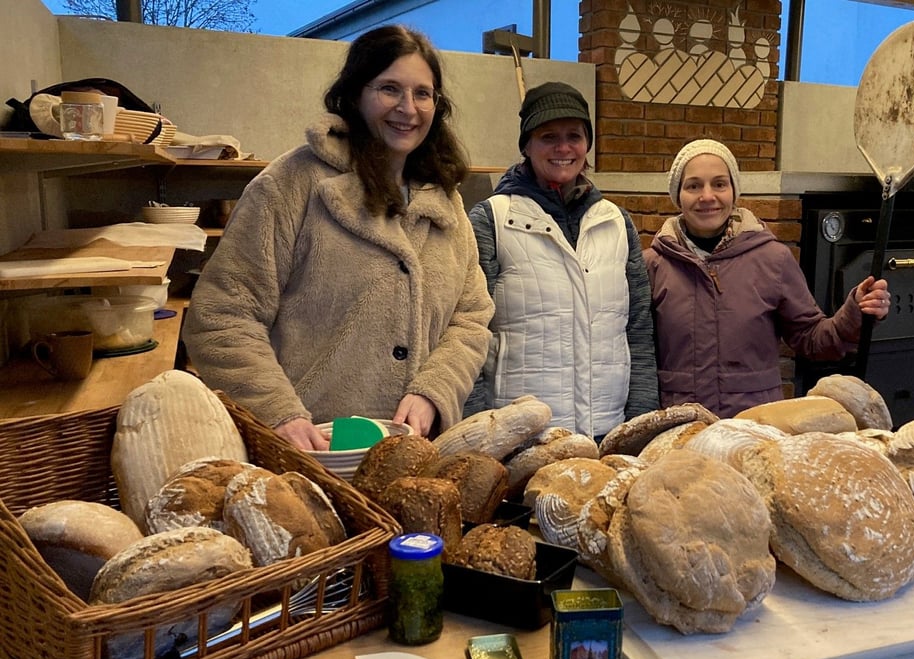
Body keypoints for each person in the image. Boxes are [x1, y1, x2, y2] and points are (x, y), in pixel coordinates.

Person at [182, 26, 494, 448]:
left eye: (423, 94)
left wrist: (434, 390)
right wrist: (278, 414)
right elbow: (221, 316)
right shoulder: (290, 186)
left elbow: (471, 317)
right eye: (389, 89)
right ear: (355, 94)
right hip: (308, 453)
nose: (408, 108)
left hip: (410, 453)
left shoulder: (446, 202)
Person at [463, 82, 657, 440]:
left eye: (574, 136)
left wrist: (638, 426)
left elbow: (638, 330)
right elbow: (467, 330)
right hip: (521, 435)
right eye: (548, 137)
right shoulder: (492, 220)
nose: (563, 148)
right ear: (527, 145)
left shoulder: (616, 222)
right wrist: (478, 432)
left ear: (588, 145)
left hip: (606, 432)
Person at [644, 139, 891, 418]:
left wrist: (855, 313)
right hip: (682, 426)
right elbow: (636, 355)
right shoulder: (653, 266)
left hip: (756, 425)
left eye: (720, 184)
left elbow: (811, 338)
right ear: (678, 196)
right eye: (693, 186)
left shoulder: (773, 259)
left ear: (734, 191)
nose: (707, 196)